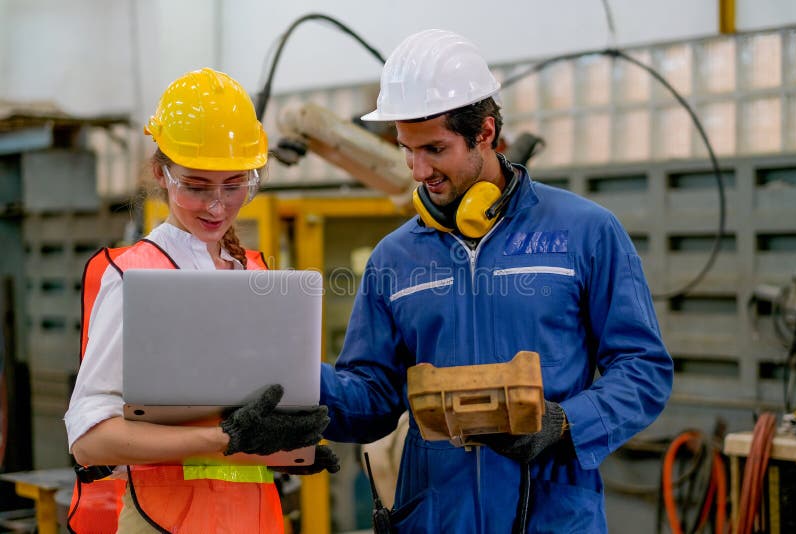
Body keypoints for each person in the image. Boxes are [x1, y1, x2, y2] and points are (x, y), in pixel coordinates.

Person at [320, 30, 673, 533]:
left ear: (485, 132)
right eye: (407, 149)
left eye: (435, 149)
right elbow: (373, 396)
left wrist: (568, 424)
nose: (419, 170)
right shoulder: (393, 259)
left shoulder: (584, 232)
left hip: (552, 515)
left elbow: (643, 368)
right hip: (439, 518)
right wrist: (302, 382)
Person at [64, 68, 338, 533]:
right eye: (196, 186)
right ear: (160, 173)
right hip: (164, 522)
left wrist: (288, 448)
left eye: (235, 185)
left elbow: (245, 425)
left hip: (255, 521)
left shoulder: (253, 274)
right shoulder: (134, 276)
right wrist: (223, 439)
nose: (217, 205)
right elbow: (89, 440)